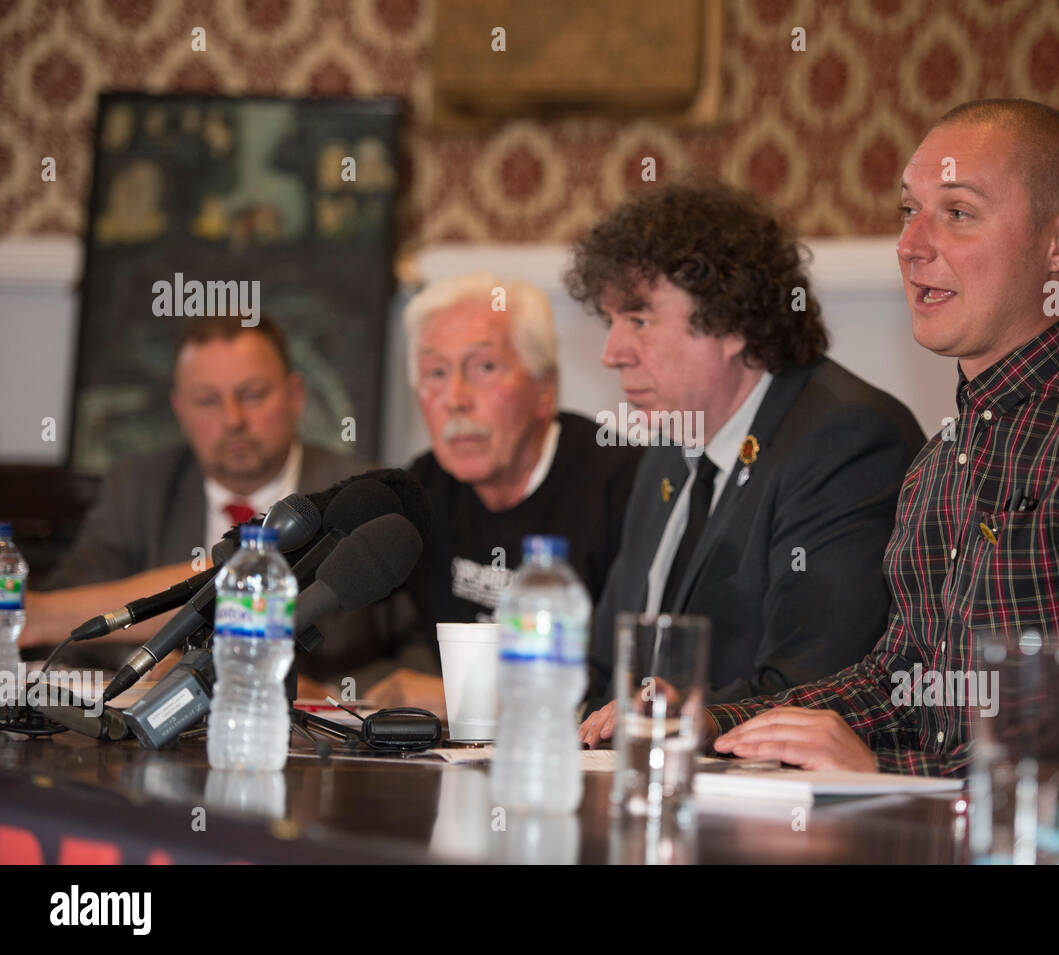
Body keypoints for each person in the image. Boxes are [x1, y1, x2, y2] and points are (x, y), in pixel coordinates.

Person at [689, 99, 1059, 818]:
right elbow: (901, 682)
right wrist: (719, 725)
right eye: (907, 210)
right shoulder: (941, 458)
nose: (911, 243)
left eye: (958, 212)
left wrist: (893, 775)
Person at [572, 181, 925, 725]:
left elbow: (815, 681)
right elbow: (603, 673)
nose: (611, 353)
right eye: (610, 322)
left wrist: (661, 720)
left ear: (730, 323)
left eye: (639, 320)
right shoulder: (668, 451)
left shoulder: (847, 441)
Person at [25, 316, 370, 672]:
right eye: (207, 400)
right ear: (180, 410)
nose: (233, 419)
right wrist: (144, 666)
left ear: (295, 396)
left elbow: (413, 648)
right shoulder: (138, 488)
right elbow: (63, 625)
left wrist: (327, 696)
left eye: (252, 394)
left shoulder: (357, 494)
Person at [363, 274, 643, 707]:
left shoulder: (625, 486)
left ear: (544, 390)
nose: (456, 398)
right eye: (435, 372)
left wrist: (463, 697)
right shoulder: (420, 490)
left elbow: (636, 676)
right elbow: (364, 634)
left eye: (485, 367)